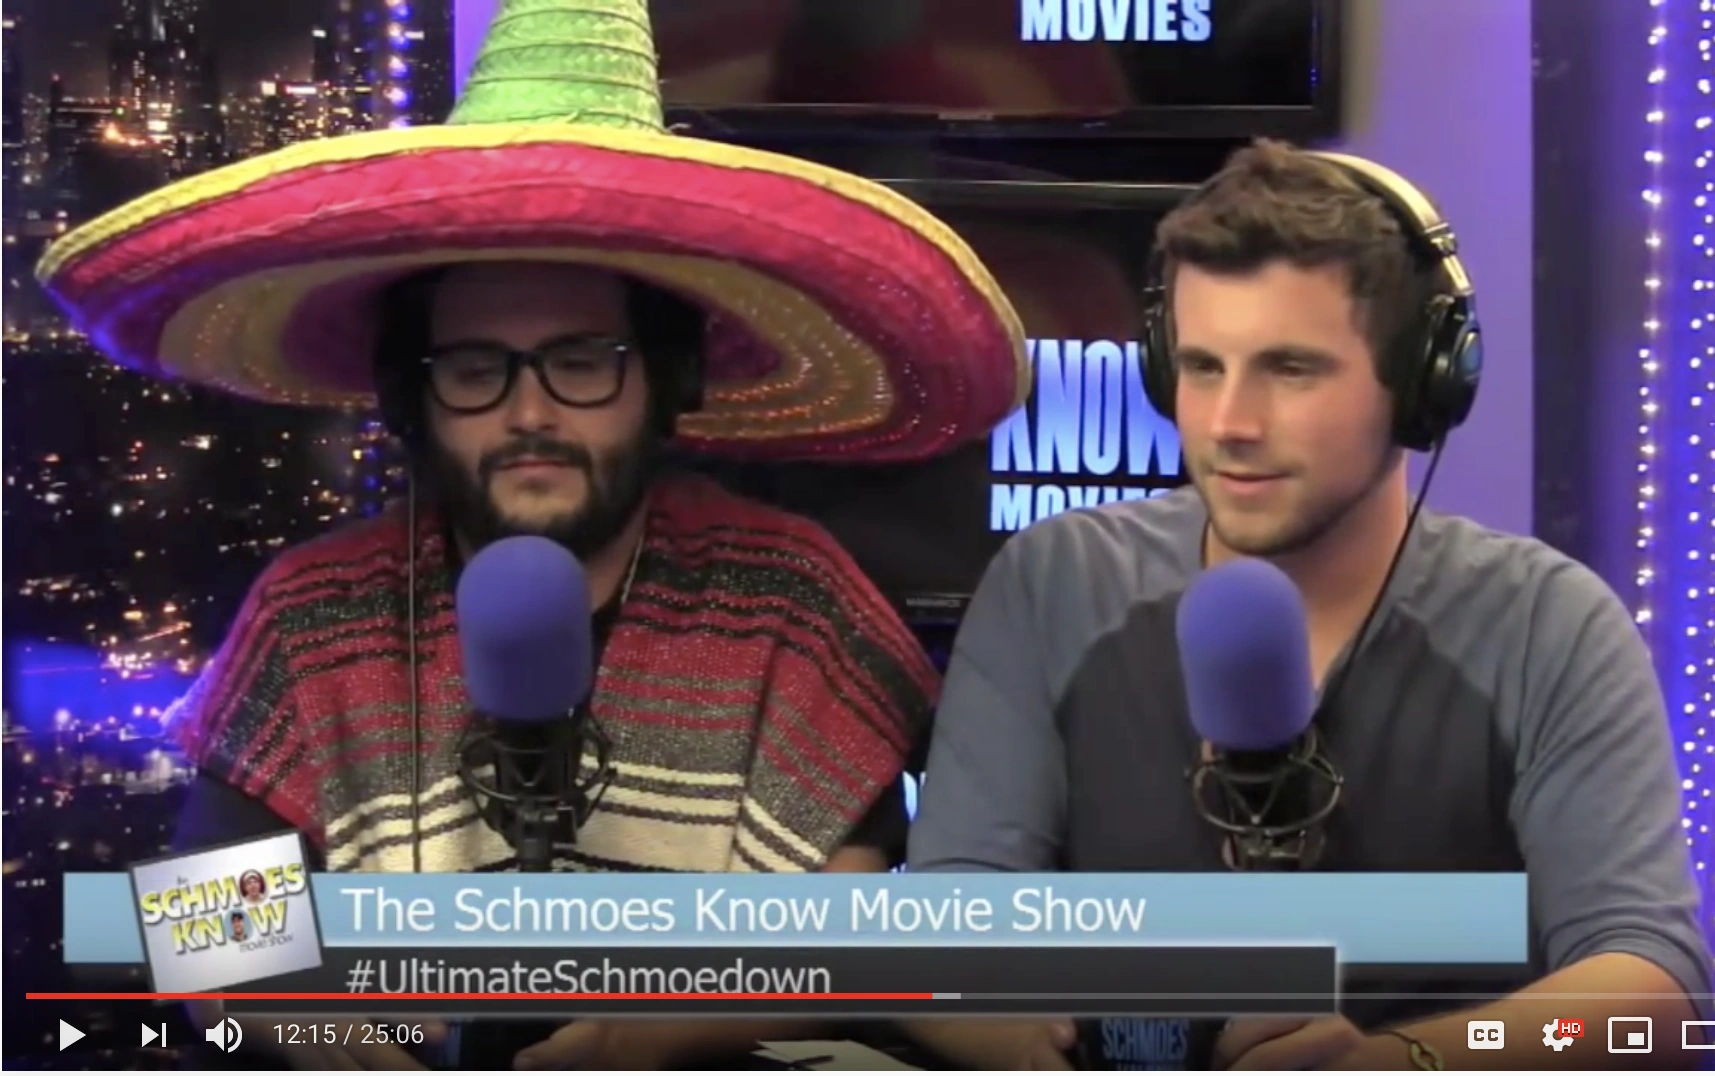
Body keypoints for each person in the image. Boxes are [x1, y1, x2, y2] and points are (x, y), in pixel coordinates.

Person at [34, 0, 1027, 1068]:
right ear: (412, 397)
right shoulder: (312, 613)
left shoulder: (794, 596)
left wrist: (656, 1031)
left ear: (666, 378)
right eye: (476, 369)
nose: (530, 411)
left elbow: (858, 906)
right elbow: (203, 934)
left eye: (582, 361)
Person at [904, 139, 1712, 1069]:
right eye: (1202, 367)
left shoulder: (1549, 625)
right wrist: (1013, 1030)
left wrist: (1399, 1062)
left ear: (1420, 383)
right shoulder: (1055, 583)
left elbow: (1651, 996)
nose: (1230, 425)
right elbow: (952, 918)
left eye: (1289, 369)